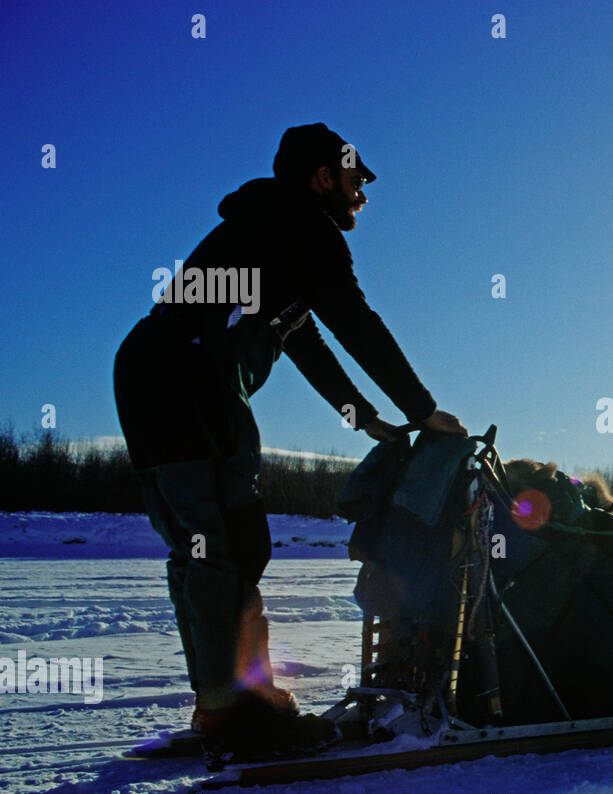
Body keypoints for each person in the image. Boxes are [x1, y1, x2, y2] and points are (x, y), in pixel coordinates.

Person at [113, 123, 466, 760]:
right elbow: (354, 320)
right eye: (356, 179)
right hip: (192, 381)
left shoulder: (265, 229)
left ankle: (218, 709)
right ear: (323, 177)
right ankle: (245, 719)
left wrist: (363, 417)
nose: (362, 194)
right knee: (232, 545)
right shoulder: (305, 227)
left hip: (145, 375)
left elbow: (305, 339)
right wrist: (424, 411)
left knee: (199, 550)